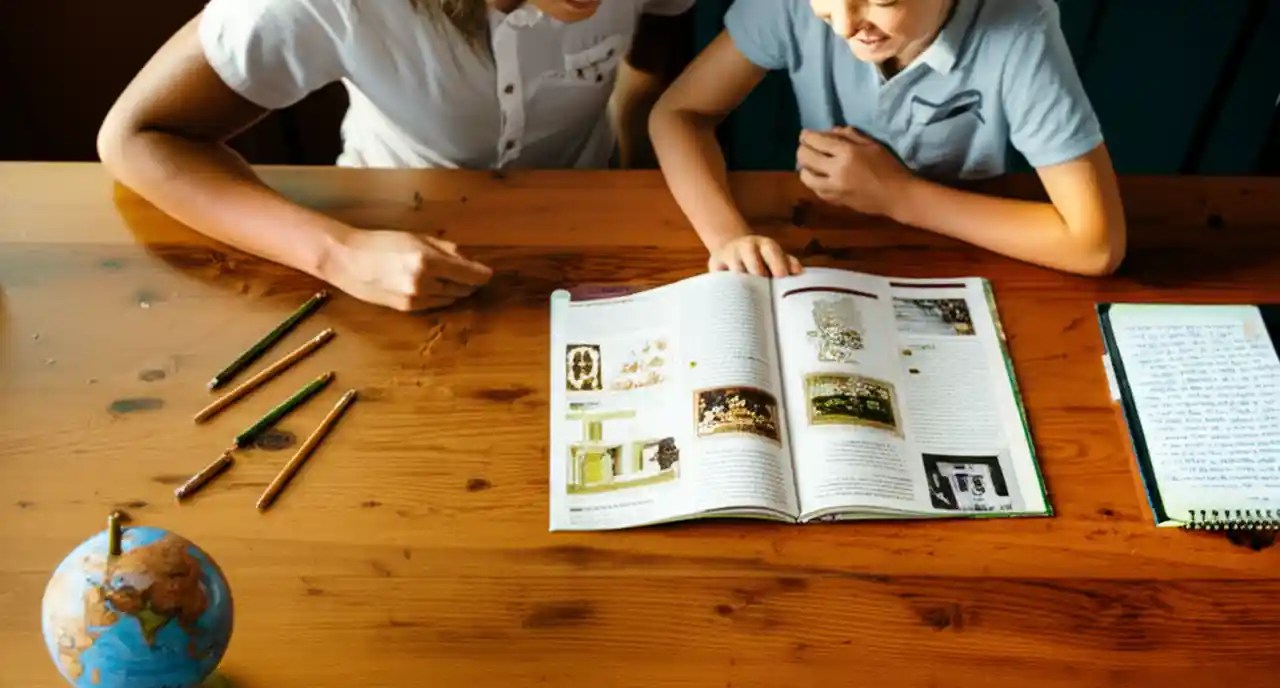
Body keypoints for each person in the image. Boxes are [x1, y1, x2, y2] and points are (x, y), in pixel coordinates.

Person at [98, 0, 692, 311]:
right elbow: (137, 136)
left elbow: (650, 66)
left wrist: (634, 178)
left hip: (585, 239)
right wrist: (339, 253)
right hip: (379, 235)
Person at [650, 0, 1127, 278]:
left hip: (972, 253)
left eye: (882, 0)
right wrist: (728, 237)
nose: (843, 26)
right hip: (832, 245)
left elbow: (1096, 244)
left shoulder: (1019, 28)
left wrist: (897, 195)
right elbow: (678, 113)